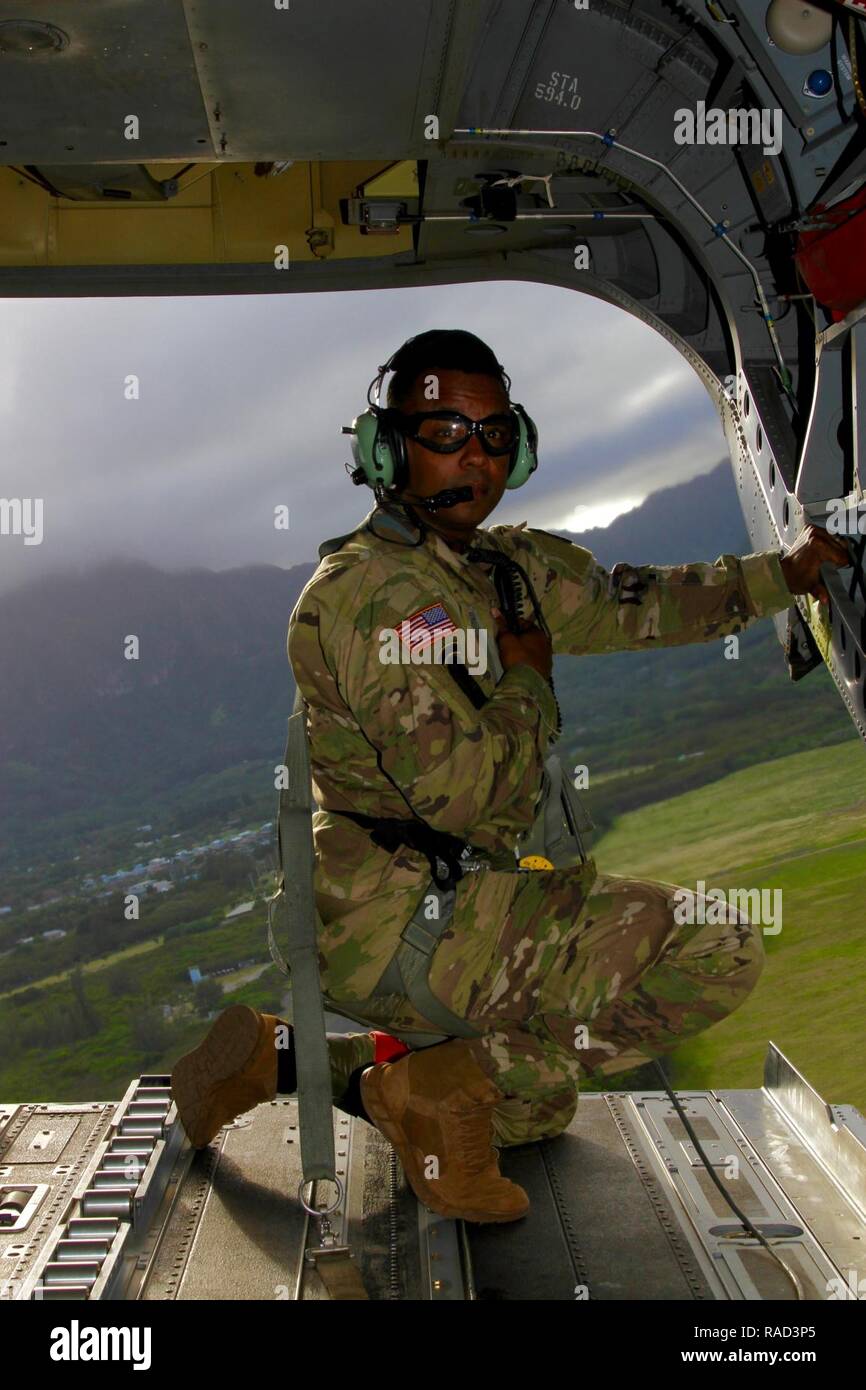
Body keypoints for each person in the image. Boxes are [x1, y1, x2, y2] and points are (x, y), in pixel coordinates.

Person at [171, 329, 851, 1224]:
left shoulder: (505, 569)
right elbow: (458, 791)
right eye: (446, 431)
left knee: (536, 1106)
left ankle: (289, 1061)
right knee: (714, 948)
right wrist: (529, 676)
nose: (477, 459)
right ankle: (428, 1088)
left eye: (495, 436)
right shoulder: (366, 598)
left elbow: (633, 603)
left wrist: (786, 573)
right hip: (398, 922)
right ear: (388, 449)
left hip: (465, 904)